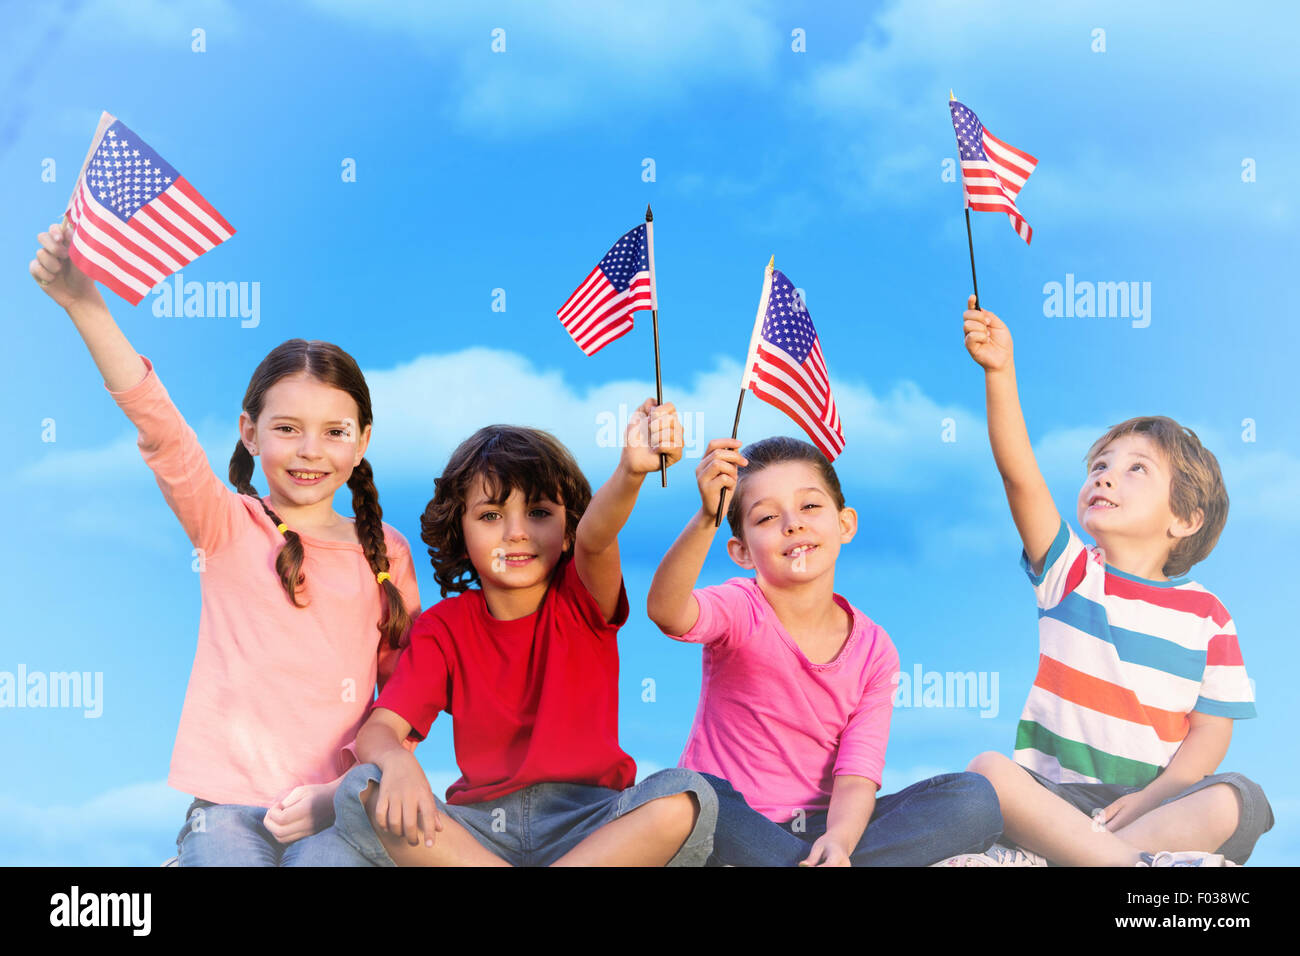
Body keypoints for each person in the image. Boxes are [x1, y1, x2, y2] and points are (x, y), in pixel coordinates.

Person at [29, 221, 420, 866]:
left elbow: (407, 697)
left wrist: (339, 792)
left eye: (334, 431)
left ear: (363, 440)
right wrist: (83, 301)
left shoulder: (387, 553)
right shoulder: (227, 524)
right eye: (288, 428)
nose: (309, 451)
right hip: (228, 811)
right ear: (249, 431)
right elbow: (161, 428)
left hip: (336, 808)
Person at [948, 294, 1272, 866]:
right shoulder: (1072, 573)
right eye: (1099, 466)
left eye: (1135, 469)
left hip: (1153, 805)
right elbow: (1019, 475)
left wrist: (1154, 797)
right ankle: (1118, 864)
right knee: (988, 773)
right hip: (1054, 799)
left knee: (1238, 799)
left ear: (1184, 518)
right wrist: (1000, 373)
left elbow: (1209, 734)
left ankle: (1097, 857)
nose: (1105, 478)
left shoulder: (1208, 616)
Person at [329, 404, 718, 865]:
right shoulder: (442, 628)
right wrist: (396, 762)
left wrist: (630, 473)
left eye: (538, 512)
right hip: (479, 832)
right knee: (361, 788)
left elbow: (598, 536)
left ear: (569, 529)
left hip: (591, 822)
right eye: (491, 516)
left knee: (688, 795)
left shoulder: (583, 595)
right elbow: (381, 729)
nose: (516, 534)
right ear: (460, 529)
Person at [646, 434, 1003, 866]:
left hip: (821, 826)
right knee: (689, 796)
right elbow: (667, 612)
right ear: (742, 552)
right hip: (733, 820)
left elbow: (856, 774)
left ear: (845, 524)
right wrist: (707, 517)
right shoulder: (741, 607)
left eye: (810, 506)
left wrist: (839, 842)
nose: (793, 524)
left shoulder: (874, 649)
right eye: (766, 518)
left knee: (972, 799)